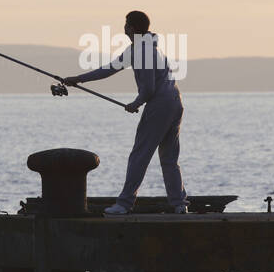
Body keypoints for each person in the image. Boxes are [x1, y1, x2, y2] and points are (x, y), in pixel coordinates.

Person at [63, 11, 188, 215]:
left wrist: (135, 103)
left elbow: (148, 89)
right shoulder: (142, 48)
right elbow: (110, 69)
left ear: (130, 28)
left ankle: (124, 204)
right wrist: (78, 79)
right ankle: (179, 204)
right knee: (169, 158)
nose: (123, 28)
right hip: (175, 101)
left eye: (125, 25)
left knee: (140, 154)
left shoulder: (143, 52)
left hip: (160, 105)